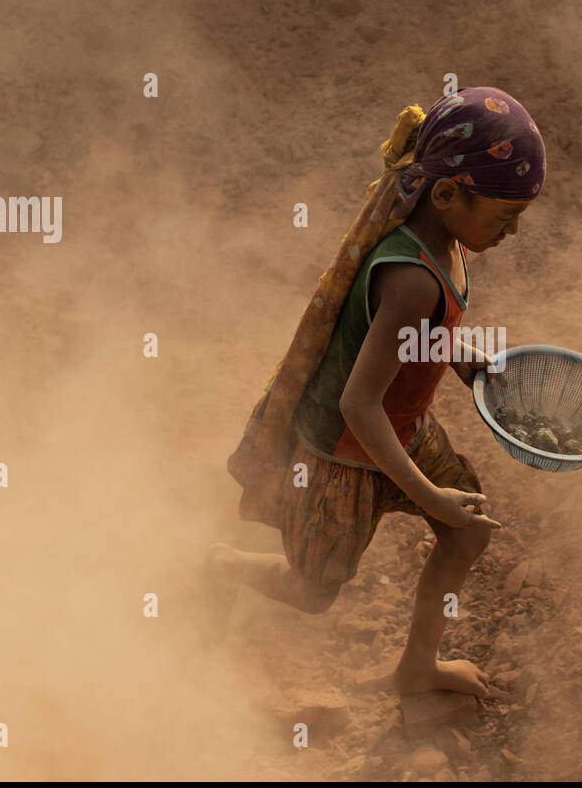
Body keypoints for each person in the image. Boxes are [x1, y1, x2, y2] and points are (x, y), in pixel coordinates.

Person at [213, 86, 545, 697]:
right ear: (447, 195)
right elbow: (356, 403)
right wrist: (428, 496)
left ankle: (417, 668)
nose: (514, 233)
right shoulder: (413, 278)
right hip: (341, 451)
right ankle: (222, 566)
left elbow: (408, 342)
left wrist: (461, 357)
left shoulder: (447, 243)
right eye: (505, 217)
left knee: (469, 530)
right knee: (312, 593)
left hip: (403, 427)